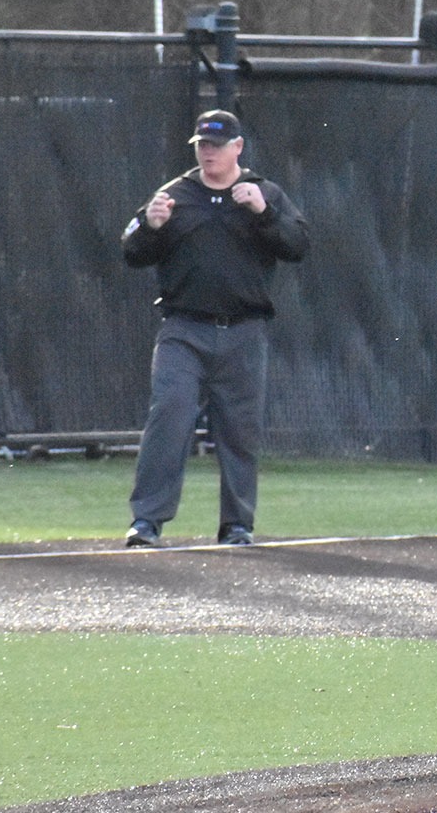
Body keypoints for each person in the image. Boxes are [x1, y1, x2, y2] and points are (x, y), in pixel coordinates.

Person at [120, 110, 310, 547]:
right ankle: (146, 521)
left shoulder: (264, 193)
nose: (208, 153)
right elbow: (131, 249)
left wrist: (263, 214)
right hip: (184, 330)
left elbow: (298, 245)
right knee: (169, 418)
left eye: (217, 146)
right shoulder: (174, 195)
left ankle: (236, 524)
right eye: (202, 146)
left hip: (243, 332)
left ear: (237, 148)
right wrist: (150, 228)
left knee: (239, 431)